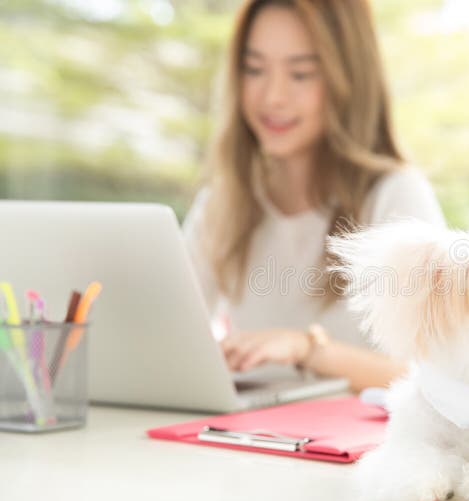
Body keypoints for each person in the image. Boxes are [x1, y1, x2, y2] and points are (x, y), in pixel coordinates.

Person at [182, 0, 445, 392]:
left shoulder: (395, 197)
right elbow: (168, 335)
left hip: (353, 446)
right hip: (243, 439)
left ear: (349, 79)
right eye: (254, 70)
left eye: (301, 74)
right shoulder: (222, 203)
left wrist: (309, 350)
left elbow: (440, 381)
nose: (273, 97)